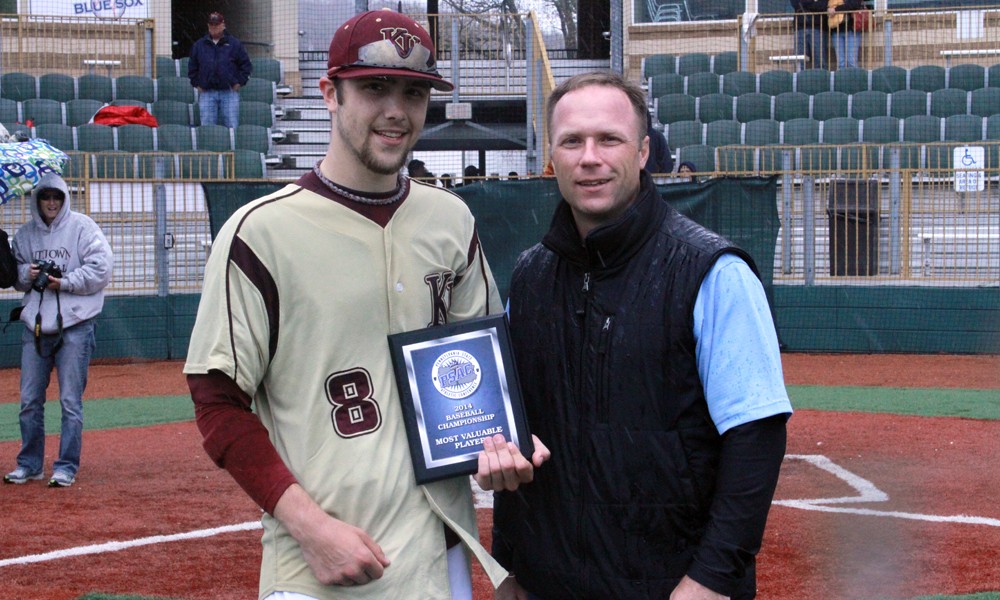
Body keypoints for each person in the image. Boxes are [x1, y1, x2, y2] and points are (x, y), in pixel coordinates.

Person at [183, 10, 547, 600]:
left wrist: (503, 445)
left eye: (414, 91)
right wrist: (311, 527)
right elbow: (218, 402)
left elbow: (481, 374)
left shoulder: (449, 218)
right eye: (374, 87)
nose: (397, 110)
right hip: (318, 562)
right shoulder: (259, 232)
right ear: (330, 93)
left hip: (439, 549)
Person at [492, 72, 792, 599]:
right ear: (552, 158)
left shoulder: (712, 271)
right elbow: (522, 431)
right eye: (572, 141)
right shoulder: (529, 275)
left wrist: (711, 580)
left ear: (643, 152)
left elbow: (756, 438)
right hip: (547, 584)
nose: (590, 157)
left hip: (672, 586)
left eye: (609, 139)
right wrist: (510, 565)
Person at [3, 173, 113, 487]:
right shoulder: (25, 234)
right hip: (36, 326)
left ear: (64, 199)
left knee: (70, 402)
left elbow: (102, 269)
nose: (51, 202)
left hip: (75, 326)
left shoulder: (83, 227)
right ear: (37, 200)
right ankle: (29, 464)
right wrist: (29, 272)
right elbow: (16, 276)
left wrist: (64, 282)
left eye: (57, 197)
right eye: (45, 197)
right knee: (29, 400)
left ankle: (65, 466)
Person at [188, 11, 252, 128]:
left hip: (229, 92)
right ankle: (207, 147)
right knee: (207, 127)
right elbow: (192, 67)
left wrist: (239, 82)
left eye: (216, 25)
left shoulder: (235, 44)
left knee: (231, 125)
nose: (214, 28)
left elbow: (246, 65)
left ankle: (232, 147)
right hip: (207, 93)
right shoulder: (199, 45)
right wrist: (197, 83)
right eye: (211, 25)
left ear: (223, 25)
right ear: (208, 26)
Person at [791, 0, 829, 70]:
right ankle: (800, 80)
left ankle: (821, 80)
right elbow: (796, 3)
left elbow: (822, 6)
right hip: (800, 28)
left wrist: (805, 3)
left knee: (820, 61)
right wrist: (813, 2)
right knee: (799, 61)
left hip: (818, 27)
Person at [828, 0, 865, 69]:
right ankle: (841, 79)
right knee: (840, 63)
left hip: (852, 29)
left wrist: (835, 9)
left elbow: (854, 4)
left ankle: (854, 79)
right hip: (836, 30)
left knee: (852, 61)